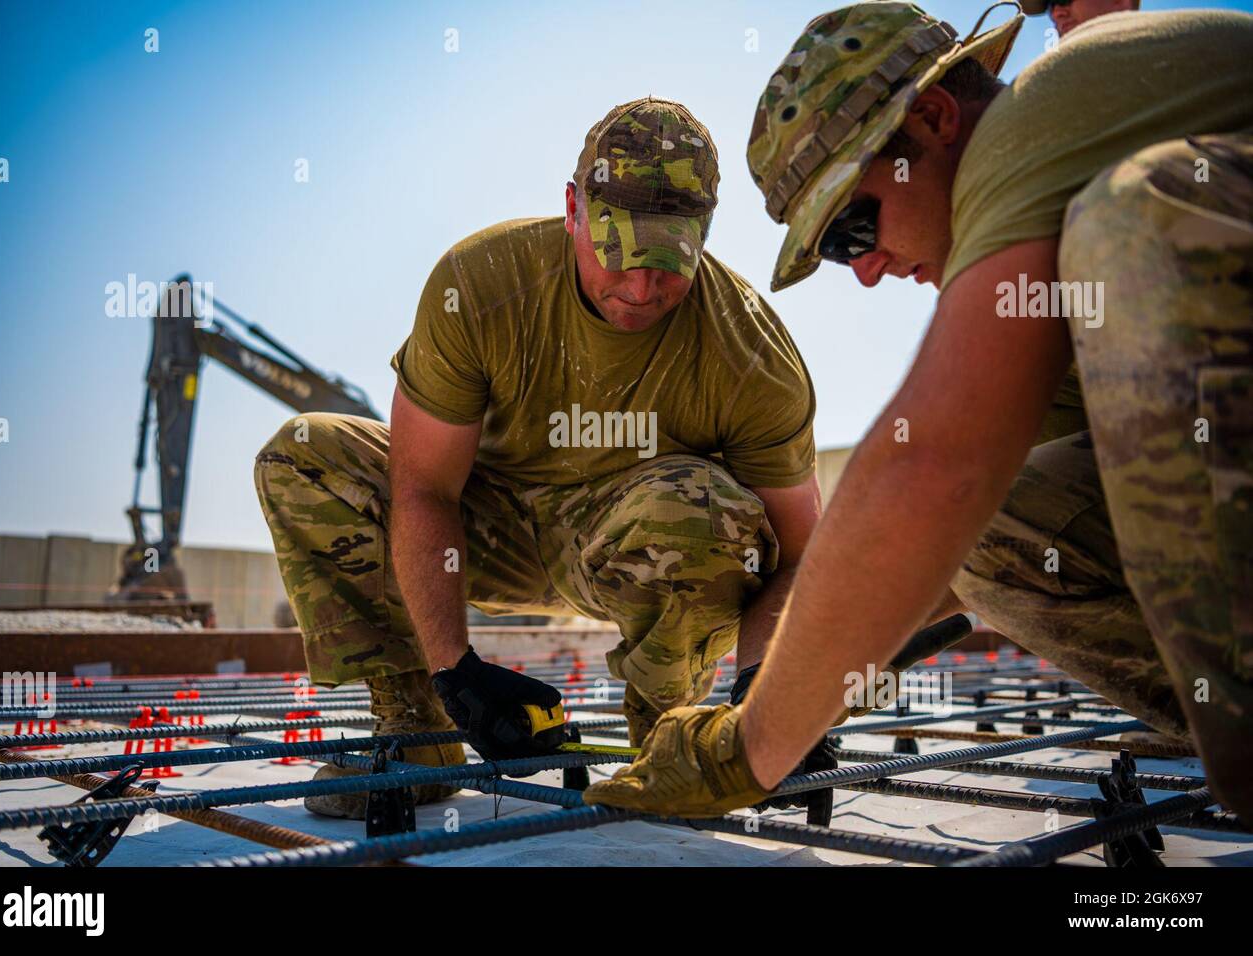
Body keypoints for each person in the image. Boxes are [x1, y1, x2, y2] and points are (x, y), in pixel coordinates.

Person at [585, 2, 1253, 821]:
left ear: (935, 119)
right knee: (993, 529)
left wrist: (747, 748)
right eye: (838, 252)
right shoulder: (1051, 232)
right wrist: (819, 676)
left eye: (850, 229)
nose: (862, 272)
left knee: (1133, 227)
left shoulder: (1041, 114)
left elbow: (932, 466)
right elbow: (943, 525)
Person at [255, 97, 822, 818]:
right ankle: (416, 732)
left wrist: (769, 696)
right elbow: (424, 487)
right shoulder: (481, 286)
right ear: (572, 210)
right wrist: (454, 674)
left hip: (632, 541)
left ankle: (670, 738)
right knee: (303, 457)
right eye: (614, 251)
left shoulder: (750, 354)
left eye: (666, 262)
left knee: (700, 511)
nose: (640, 290)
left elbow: (801, 555)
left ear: (705, 234)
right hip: (487, 529)